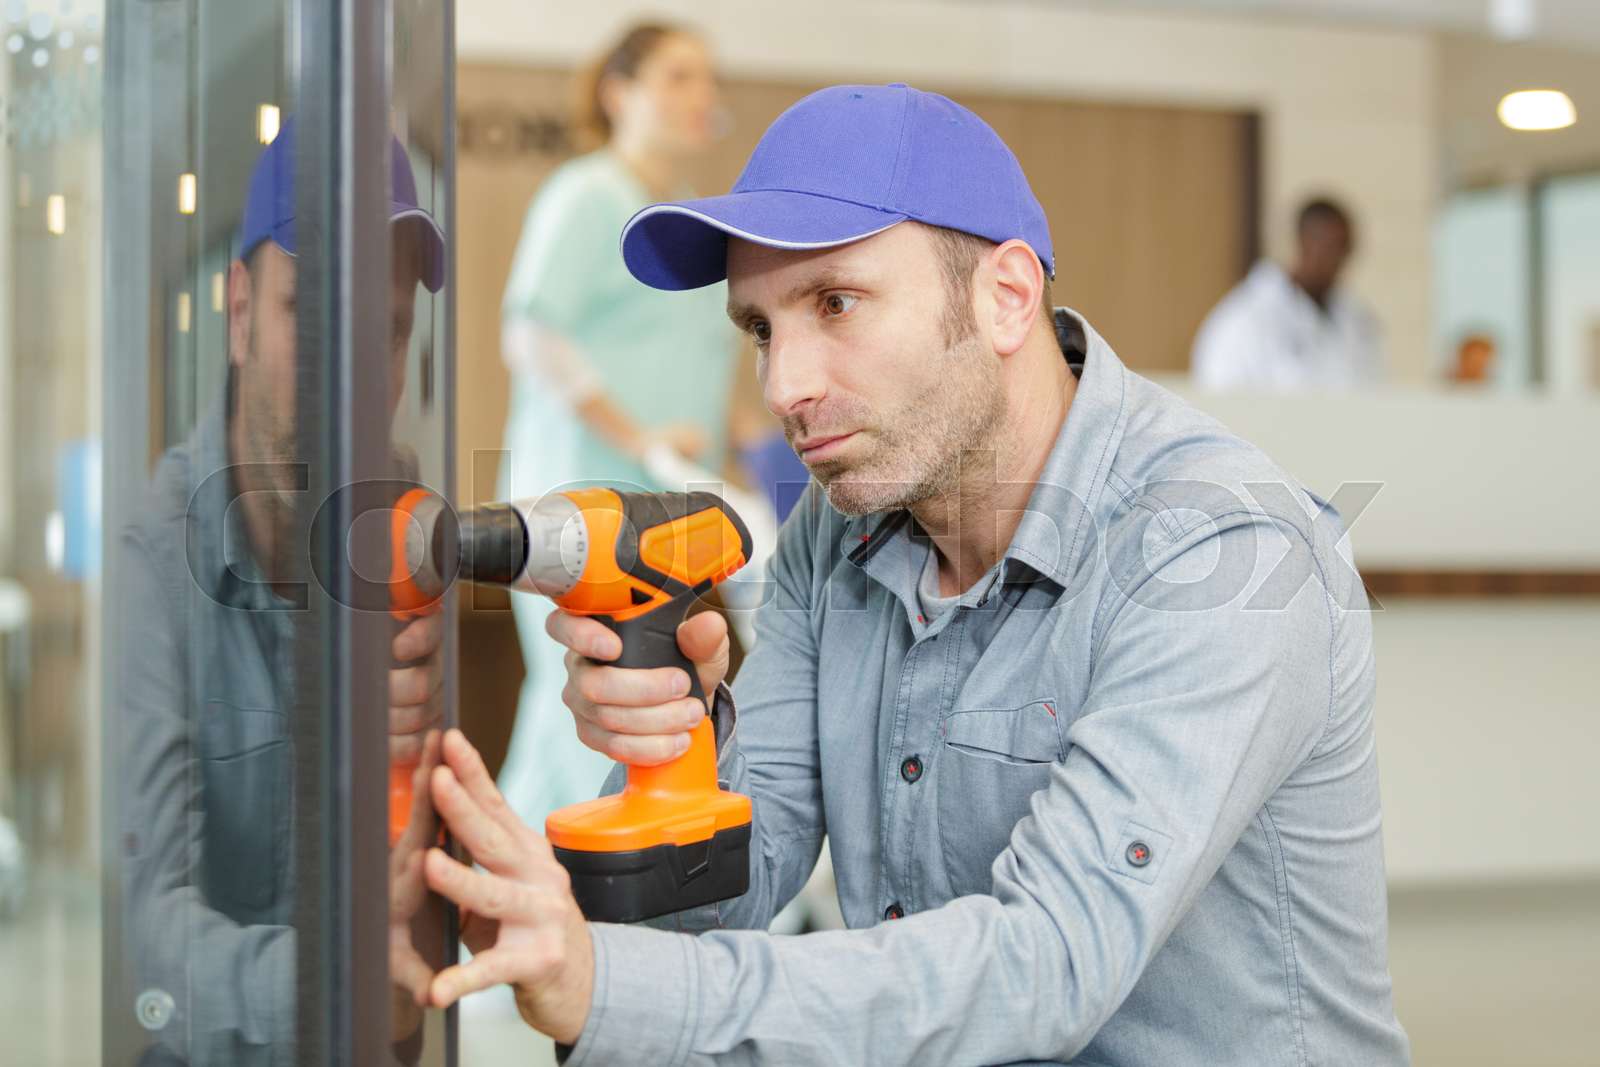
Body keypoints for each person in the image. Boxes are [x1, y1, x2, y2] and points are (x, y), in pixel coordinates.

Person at [417, 85, 1410, 1065]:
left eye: (835, 302)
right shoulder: (835, 529)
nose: (783, 386)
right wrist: (679, 750)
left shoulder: (1221, 547)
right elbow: (741, 884)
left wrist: (609, 985)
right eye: (761, 328)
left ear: (1006, 297)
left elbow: (1049, 959)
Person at [115, 119, 447, 1064]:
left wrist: (427, 774)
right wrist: (344, 977)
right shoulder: (157, 550)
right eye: (314, 319)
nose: (353, 378)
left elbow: (436, 918)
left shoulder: (405, 522)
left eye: (383, 330)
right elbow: (151, 937)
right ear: (238, 309)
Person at [494, 21, 750, 834]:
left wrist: (745, 437)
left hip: (662, 508)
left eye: (706, 80)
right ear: (619, 93)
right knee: (595, 713)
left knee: (602, 719)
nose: (699, 97)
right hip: (582, 508)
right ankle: (536, 938)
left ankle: (516, 931)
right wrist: (638, 435)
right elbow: (531, 335)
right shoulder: (587, 194)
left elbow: (680, 362)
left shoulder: (681, 223)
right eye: (677, 76)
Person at [1192, 197, 1384, 390]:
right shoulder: (1243, 320)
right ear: (1302, 242)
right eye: (1329, 247)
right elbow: (1222, 400)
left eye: (1345, 249)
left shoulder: (1356, 320)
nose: (1338, 260)